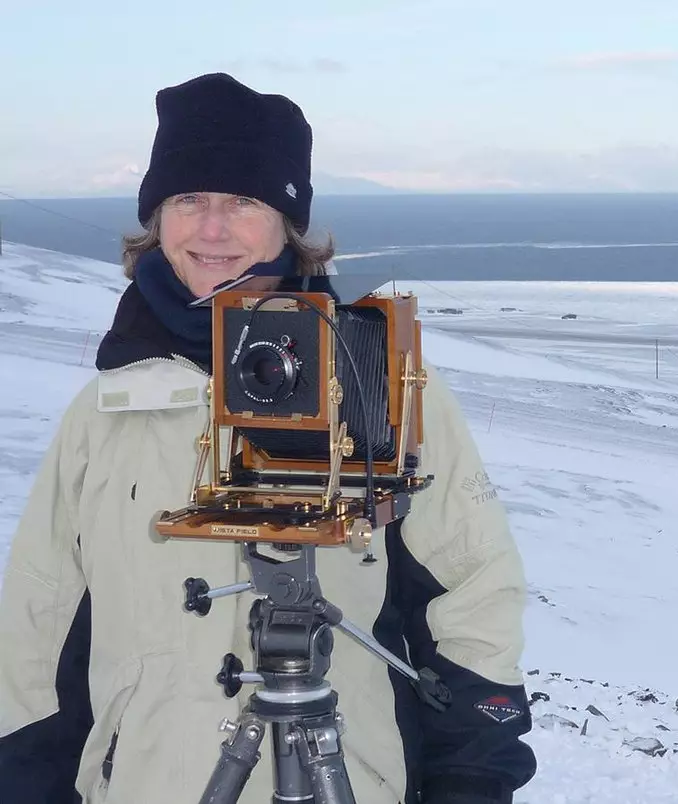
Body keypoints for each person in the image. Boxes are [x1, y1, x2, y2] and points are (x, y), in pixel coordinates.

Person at [0, 73, 537, 804]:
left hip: (349, 778)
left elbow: (471, 588)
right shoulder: (104, 412)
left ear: (289, 227)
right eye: (188, 199)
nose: (212, 228)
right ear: (156, 221)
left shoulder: (381, 385)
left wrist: (475, 773)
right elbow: (38, 623)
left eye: (245, 201)